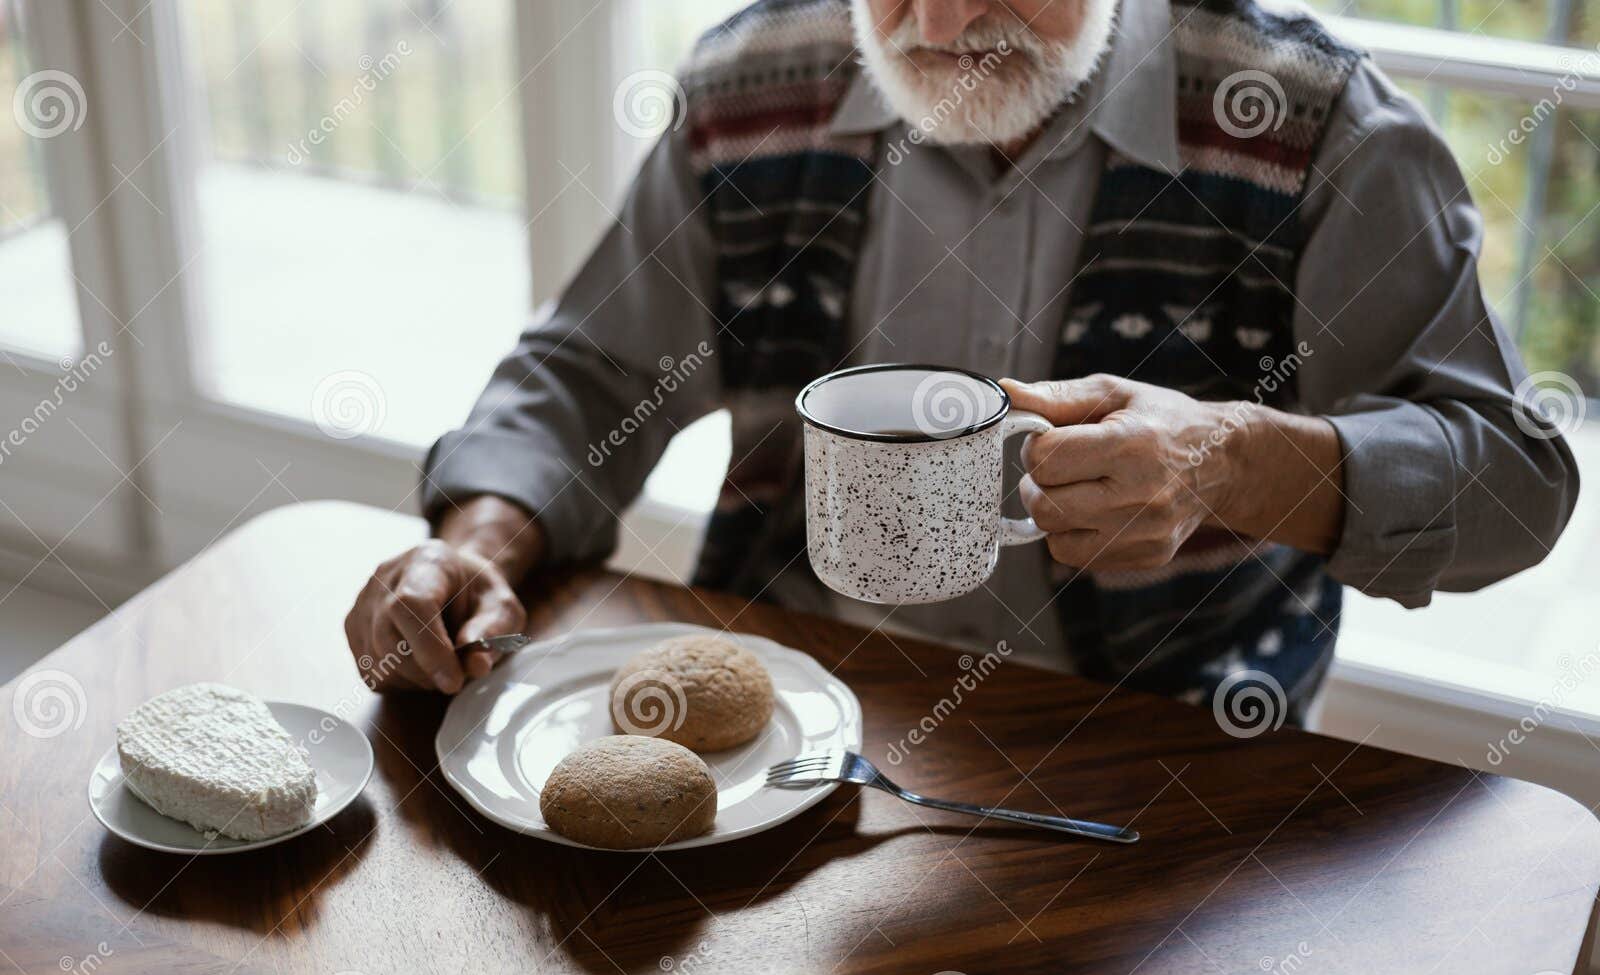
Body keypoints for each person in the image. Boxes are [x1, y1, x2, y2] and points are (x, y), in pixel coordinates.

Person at [345, 0, 1577, 723]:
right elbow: (591, 373)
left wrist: (1230, 463)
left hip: (1159, 749)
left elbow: (1512, 482)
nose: (937, 27)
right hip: (794, 712)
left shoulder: (1315, 129)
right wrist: (478, 543)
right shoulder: (747, 84)